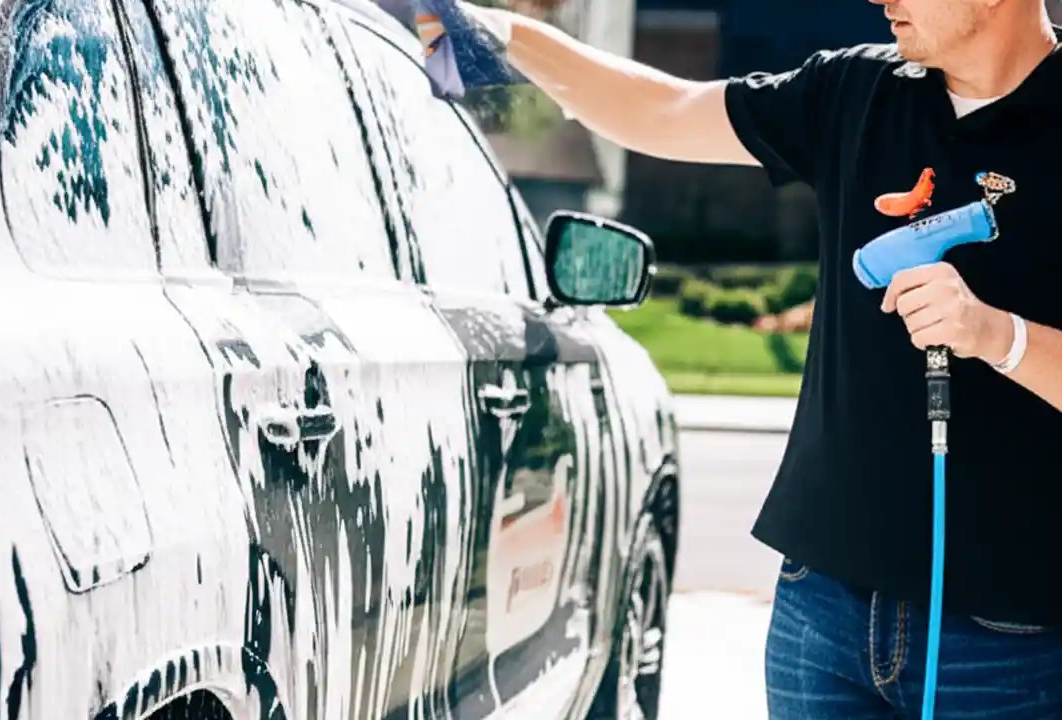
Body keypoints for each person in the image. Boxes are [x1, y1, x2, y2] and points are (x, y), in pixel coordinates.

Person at [443, 0, 1062, 717]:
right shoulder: (854, 92)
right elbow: (663, 110)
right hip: (822, 616)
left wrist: (997, 335)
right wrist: (501, 32)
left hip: (1009, 644)